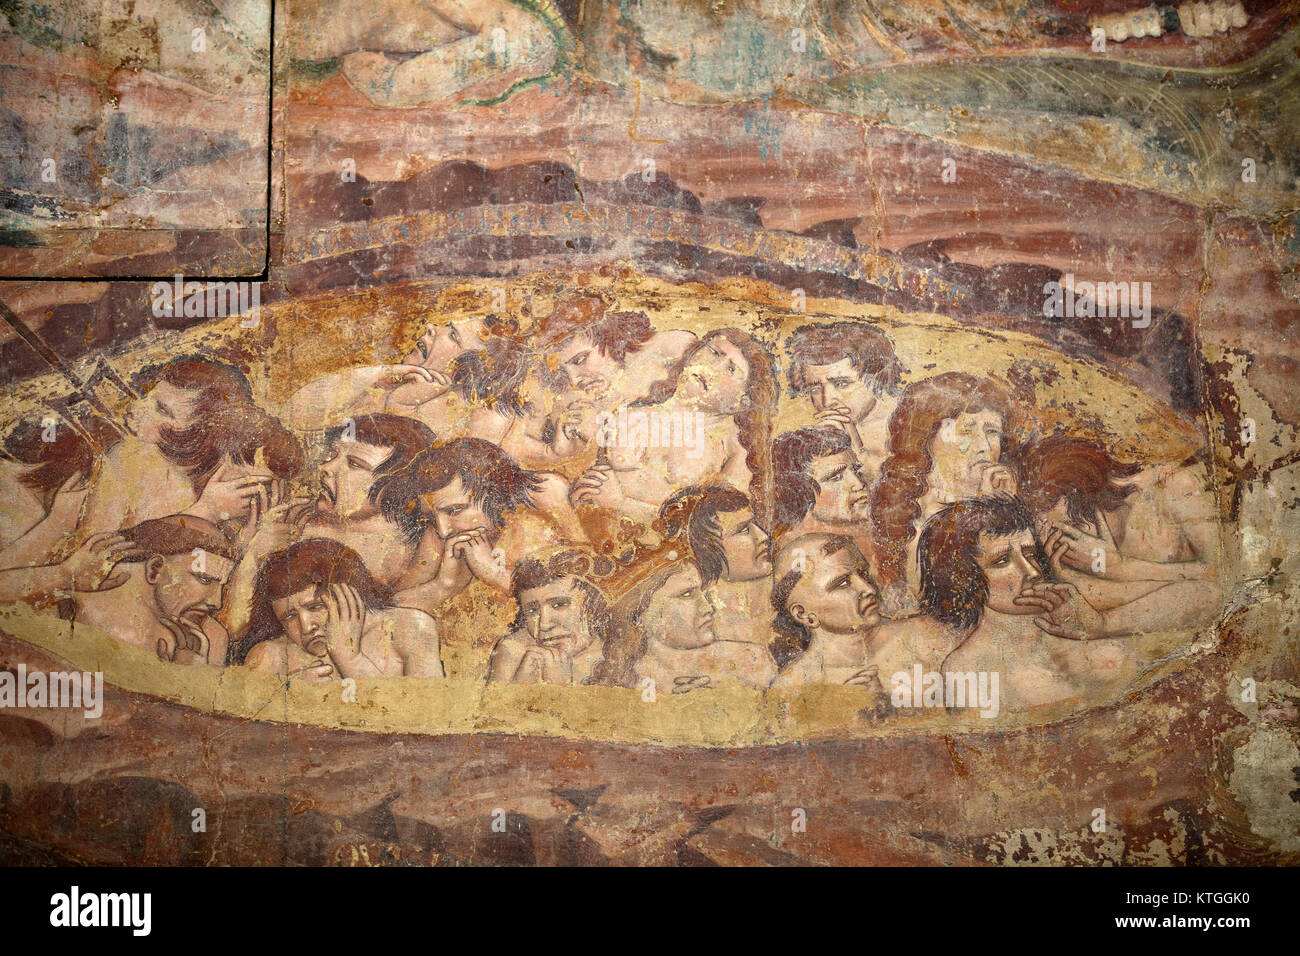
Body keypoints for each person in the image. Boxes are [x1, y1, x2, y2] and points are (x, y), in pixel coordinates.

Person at [223, 414, 435, 641]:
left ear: (397, 487)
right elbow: (230, 628)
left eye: (353, 464)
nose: (326, 467)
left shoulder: (424, 548)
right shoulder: (290, 521)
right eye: (334, 455)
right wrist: (253, 553)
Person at [909, 497, 1129, 711]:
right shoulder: (966, 668)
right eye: (1002, 561)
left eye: (1031, 553)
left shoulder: (1080, 633)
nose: (1032, 572)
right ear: (965, 579)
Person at [570, 328, 776, 525]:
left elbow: (723, 526)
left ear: (740, 403)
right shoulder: (632, 414)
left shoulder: (732, 449)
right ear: (693, 354)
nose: (713, 367)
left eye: (731, 370)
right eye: (714, 353)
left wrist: (622, 504)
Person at [1019, 434, 1223, 632]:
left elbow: (1220, 577)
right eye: (1050, 536)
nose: (1067, 548)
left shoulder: (1174, 486)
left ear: (1098, 500)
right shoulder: (1081, 551)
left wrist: (1120, 568)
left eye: (1073, 527)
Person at [377, 437, 582, 611]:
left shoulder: (546, 493)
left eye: (455, 510)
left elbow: (594, 580)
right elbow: (391, 608)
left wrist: (496, 575)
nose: (443, 530)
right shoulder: (444, 529)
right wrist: (444, 585)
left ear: (493, 492)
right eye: (432, 518)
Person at [870, 373, 1019, 609]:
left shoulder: (1001, 497)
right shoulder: (909, 521)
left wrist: (1001, 510)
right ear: (924, 439)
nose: (983, 447)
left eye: (992, 432)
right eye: (966, 431)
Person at [78, 356, 267, 532]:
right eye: (147, 396)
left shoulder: (238, 479)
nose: (135, 408)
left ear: (197, 436)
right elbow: (94, 553)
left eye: (161, 409)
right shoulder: (126, 461)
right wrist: (203, 512)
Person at [241, 539, 444, 680]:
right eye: (290, 616)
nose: (306, 626)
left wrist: (351, 661)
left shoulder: (412, 629)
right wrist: (290, 692)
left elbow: (429, 715)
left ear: (349, 595)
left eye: (316, 606)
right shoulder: (271, 657)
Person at [278, 314, 507, 431]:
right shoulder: (392, 386)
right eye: (446, 326)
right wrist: (382, 374)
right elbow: (292, 414)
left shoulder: (442, 419)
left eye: (453, 335)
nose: (432, 327)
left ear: (464, 372)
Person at [593, 552, 776, 691]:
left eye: (702, 594)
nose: (707, 608)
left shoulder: (751, 662)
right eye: (687, 594)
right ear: (639, 615)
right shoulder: (621, 682)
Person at [69, 515, 238, 665]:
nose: (217, 603)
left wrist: (191, 672)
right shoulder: (74, 607)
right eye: (204, 579)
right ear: (155, 569)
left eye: (223, 586)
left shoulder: (210, 637)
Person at [785, 321, 902, 488]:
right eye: (815, 388)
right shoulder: (819, 433)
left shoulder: (913, 425)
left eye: (841, 384)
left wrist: (859, 455)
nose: (827, 401)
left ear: (875, 378)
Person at [658, 485, 773, 646]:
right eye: (744, 530)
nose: (763, 536)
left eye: (755, 525)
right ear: (705, 547)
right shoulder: (696, 629)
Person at [769, 533, 885, 687]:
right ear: (804, 615)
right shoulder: (793, 686)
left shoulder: (915, 641)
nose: (869, 589)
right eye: (843, 583)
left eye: (863, 574)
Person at [487, 549, 612, 685]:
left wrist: (557, 689)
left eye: (559, 604)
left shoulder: (618, 657)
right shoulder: (513, 651)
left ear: (592, 604)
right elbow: (490, 705)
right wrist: (520, 684)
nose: (543, 624)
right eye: (532, 610)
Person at [771, 426, 871, 540]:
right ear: (801, 493)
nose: (859, 484)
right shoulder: (802, 552)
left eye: (856, 470)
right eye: (836, 477)